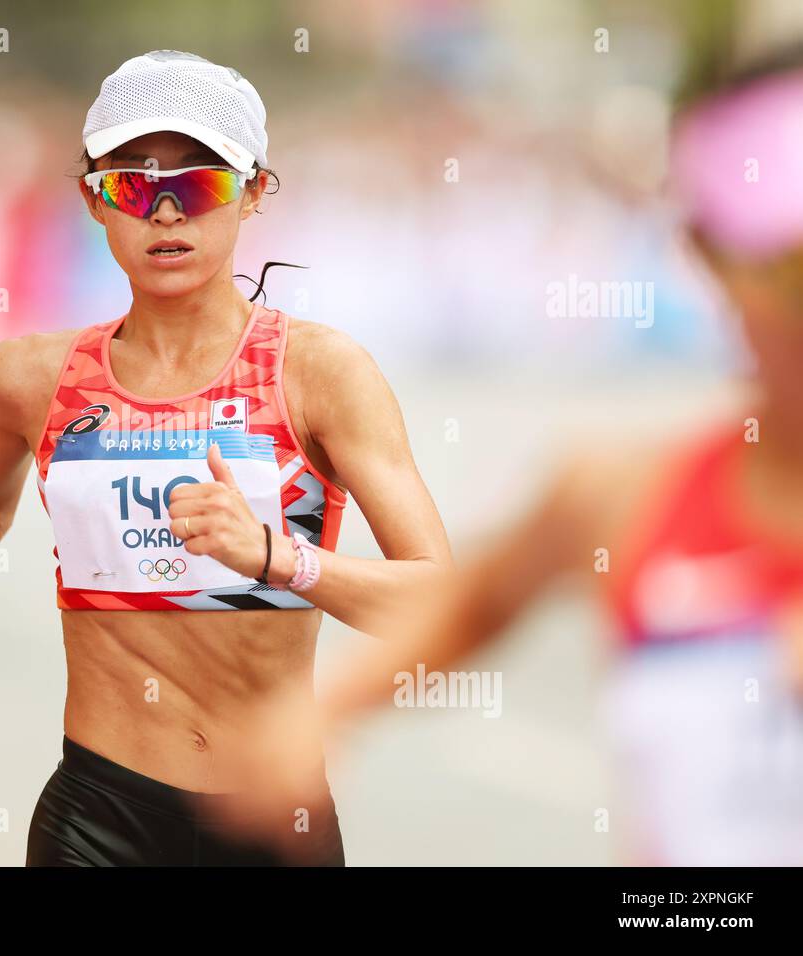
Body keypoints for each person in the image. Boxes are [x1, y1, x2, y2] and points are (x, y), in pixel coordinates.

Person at [0, 50, 451, 866]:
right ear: (95, 200)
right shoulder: (29, 376)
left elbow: (434, 599)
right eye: (133, 185)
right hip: (99, 816)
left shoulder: (321, 373)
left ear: (255, 191)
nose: (165, 213)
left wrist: (277, 558)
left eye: (197, 184)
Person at [217, 45, 803, 866]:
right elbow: (469, 603)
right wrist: (322, 714)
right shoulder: (618, 496)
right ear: (709, 257)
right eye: (793, 269)